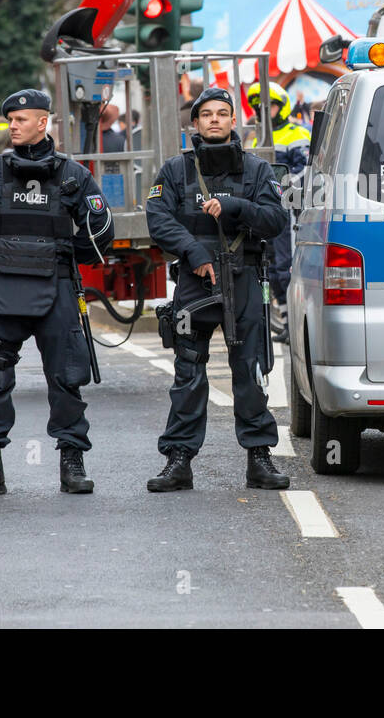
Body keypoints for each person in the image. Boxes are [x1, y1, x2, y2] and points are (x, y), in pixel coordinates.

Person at [0, 88, 114, 497]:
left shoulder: (73, 174)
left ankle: (72, 462)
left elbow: (103, 228)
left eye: (21, 120)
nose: (12, 126)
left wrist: (70, 253)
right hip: (5, 290)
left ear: (43, 122)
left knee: (66, 380)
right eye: (10, 120)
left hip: (55, 289)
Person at [143, 86, 290, 493]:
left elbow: (276, 221)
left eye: (222, 113)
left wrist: (236, 208)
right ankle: (178, 460)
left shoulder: (257, 170)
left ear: (232, 120)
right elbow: (158, 218)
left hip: (244, 278)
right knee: (188, 371)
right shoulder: (176, 170)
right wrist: (193, 252)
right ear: (195, 123)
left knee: (251, 370)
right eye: (205, 113)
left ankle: (259, 458)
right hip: (195, 280)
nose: (213, 119)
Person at [245, 81, 311, 344]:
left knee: (285, 269)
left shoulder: (297, 134)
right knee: (272, 271)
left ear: (281, 107)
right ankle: (286, 325)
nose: (264, 111)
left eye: (269, 106)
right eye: (259, 107)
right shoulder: (255, 137)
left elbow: (306, 169)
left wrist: (279, 188)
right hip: (263, 211)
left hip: (288, 209)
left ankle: (295, 325)